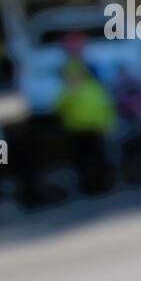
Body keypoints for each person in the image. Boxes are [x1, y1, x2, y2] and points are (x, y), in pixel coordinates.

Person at [55, 38, 117, 195]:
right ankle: (90, 187)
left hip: (94, 126)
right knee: (85, 160)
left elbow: (104, 104)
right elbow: (60, 106)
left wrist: (108, 121)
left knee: (99, 158)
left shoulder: (92, 81)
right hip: (77, 128)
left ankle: (104, 184)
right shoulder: (69, 87)